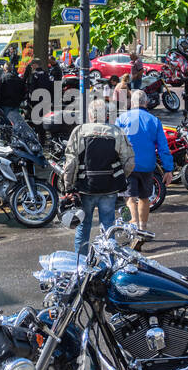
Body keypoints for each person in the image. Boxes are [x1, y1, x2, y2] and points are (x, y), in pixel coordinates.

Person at [63, 98, 135, 256]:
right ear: (106, 115)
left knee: (83, 226)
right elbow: (129, 161)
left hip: (85, 188)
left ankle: (80, 264)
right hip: (109, 188)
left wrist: (69, 186)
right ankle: (107, 262)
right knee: (108, 228)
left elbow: (70, 163)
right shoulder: (116, 132)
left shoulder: (79, 131)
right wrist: (120, 178)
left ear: (90, 115)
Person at [116, 90, 174, 236]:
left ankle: (133, 226)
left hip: (128, 165)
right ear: (146, 102)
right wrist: (168, 169)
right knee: (144, 198)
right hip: (147, 166)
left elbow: (115, 143)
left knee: (129, 198)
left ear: (132, 103)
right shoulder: (154, 121)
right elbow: (163, 147)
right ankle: (142, 228)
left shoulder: (122, 119)